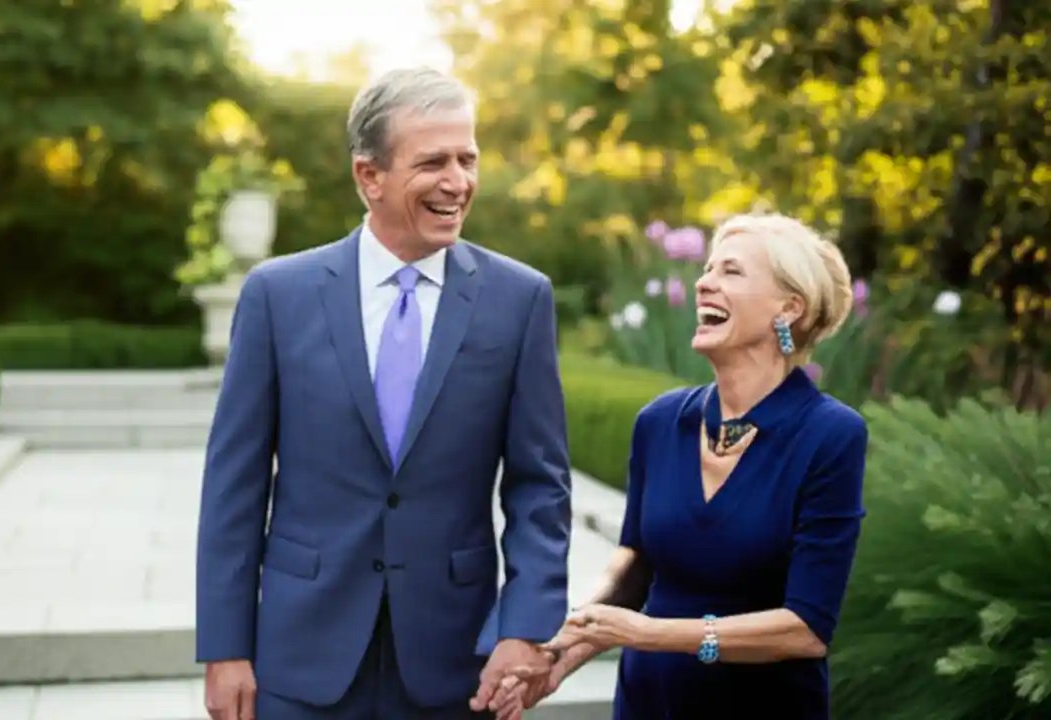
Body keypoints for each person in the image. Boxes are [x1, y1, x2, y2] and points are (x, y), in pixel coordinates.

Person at [194, 66, 572, 720]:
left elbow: (540, 485)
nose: (458, 181)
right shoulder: (277, 296)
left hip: (457, 660)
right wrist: (225, 648)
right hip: (298, 656)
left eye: (467, 159)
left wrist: (526, 627)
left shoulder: (520, 300)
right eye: (433, 162)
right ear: (369, 176)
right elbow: (235, 483)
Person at [507, 212, 868, 719]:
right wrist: (563, 652)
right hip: (647, 703)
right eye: (707, 268)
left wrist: (652, 634)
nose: (704, 283)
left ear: (788, 310)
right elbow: (635, 566)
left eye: (731, 272)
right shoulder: (659, 422)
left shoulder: (830, 435)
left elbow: (806, 630)